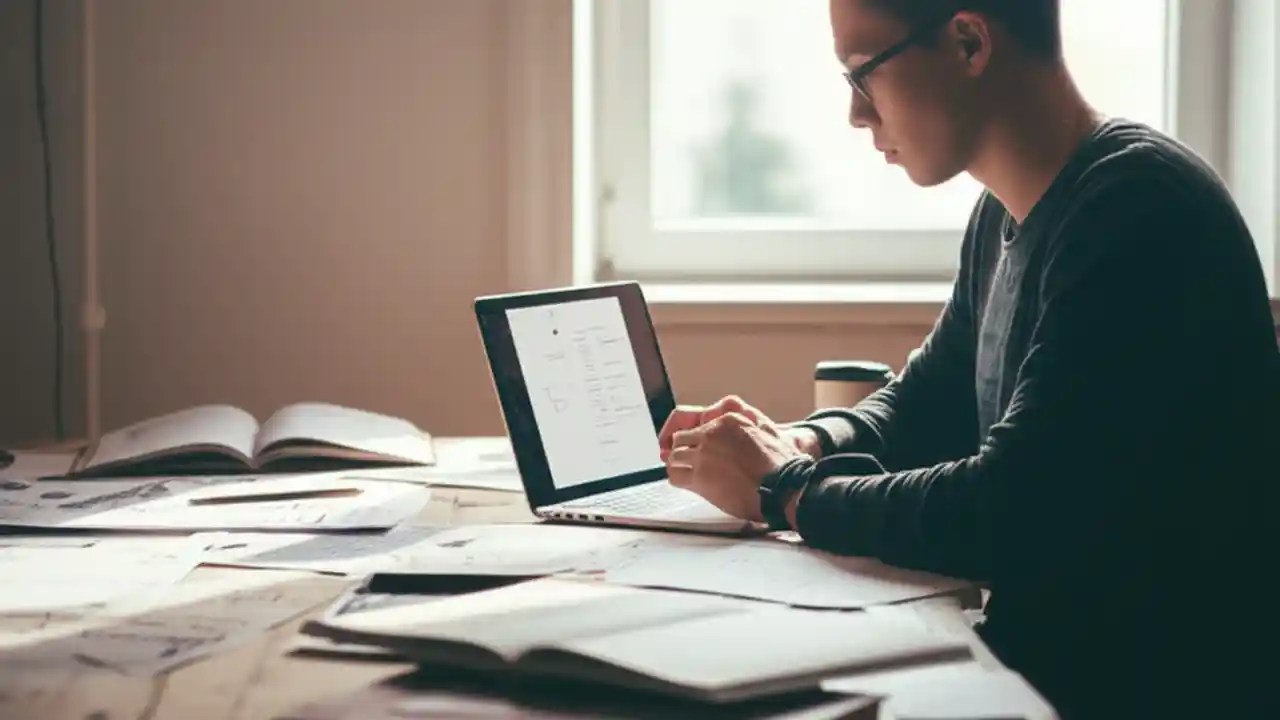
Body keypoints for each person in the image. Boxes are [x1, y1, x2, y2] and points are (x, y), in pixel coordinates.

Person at [658, 1, 1278, 717]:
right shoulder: (1007, 212)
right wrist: (803, 440)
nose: (856, 115)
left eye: (863, 75)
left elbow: (1009, 510)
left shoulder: (1139, 212)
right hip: (1047, 672)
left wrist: (788, 491)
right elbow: (931, 398)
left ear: (967, 42)